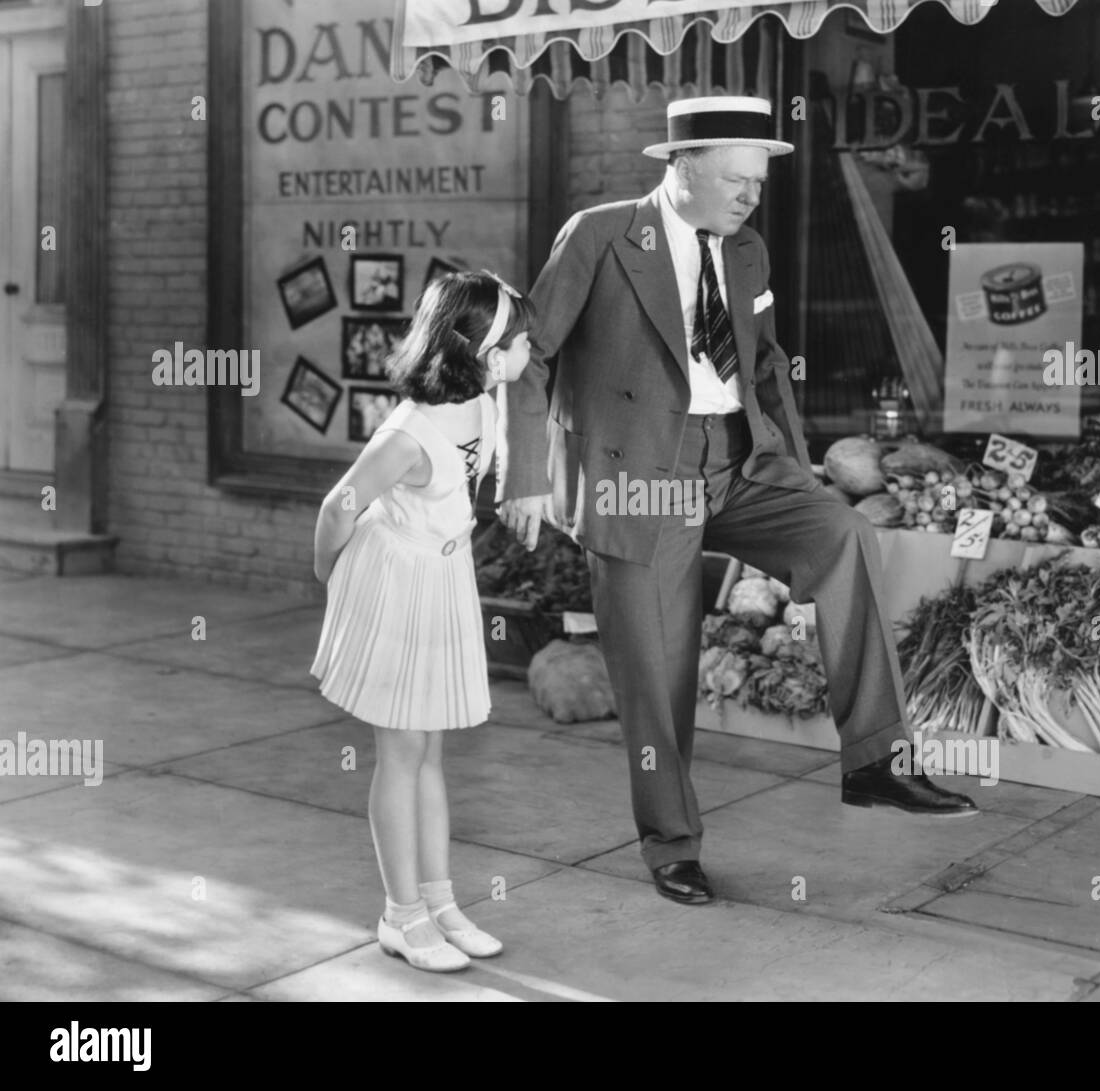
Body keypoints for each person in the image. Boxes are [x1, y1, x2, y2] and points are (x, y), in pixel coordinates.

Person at [495, 97, 976, 907]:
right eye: (735, 178)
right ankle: (672, 844)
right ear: (680, 167)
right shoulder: (601, 235)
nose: (752, 196)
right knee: (661, 673)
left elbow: (764, 364)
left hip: (741, 457)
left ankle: (874, 761)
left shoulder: (747, 250)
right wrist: (524, 472)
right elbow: (529, 352)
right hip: (639, 473)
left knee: (844, 535)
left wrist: (793, 459)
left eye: (758, 181)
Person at [312, 270, 534, 967]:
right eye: (523, 340)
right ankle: (399, 914)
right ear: (490, 353)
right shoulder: (408, 433)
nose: (532, 350)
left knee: (430, 751)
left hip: (444, 575)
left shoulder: (484, 400)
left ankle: (438, 901)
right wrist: (334, 578)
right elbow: (339, 505)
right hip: (398, 581)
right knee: (401, 753)